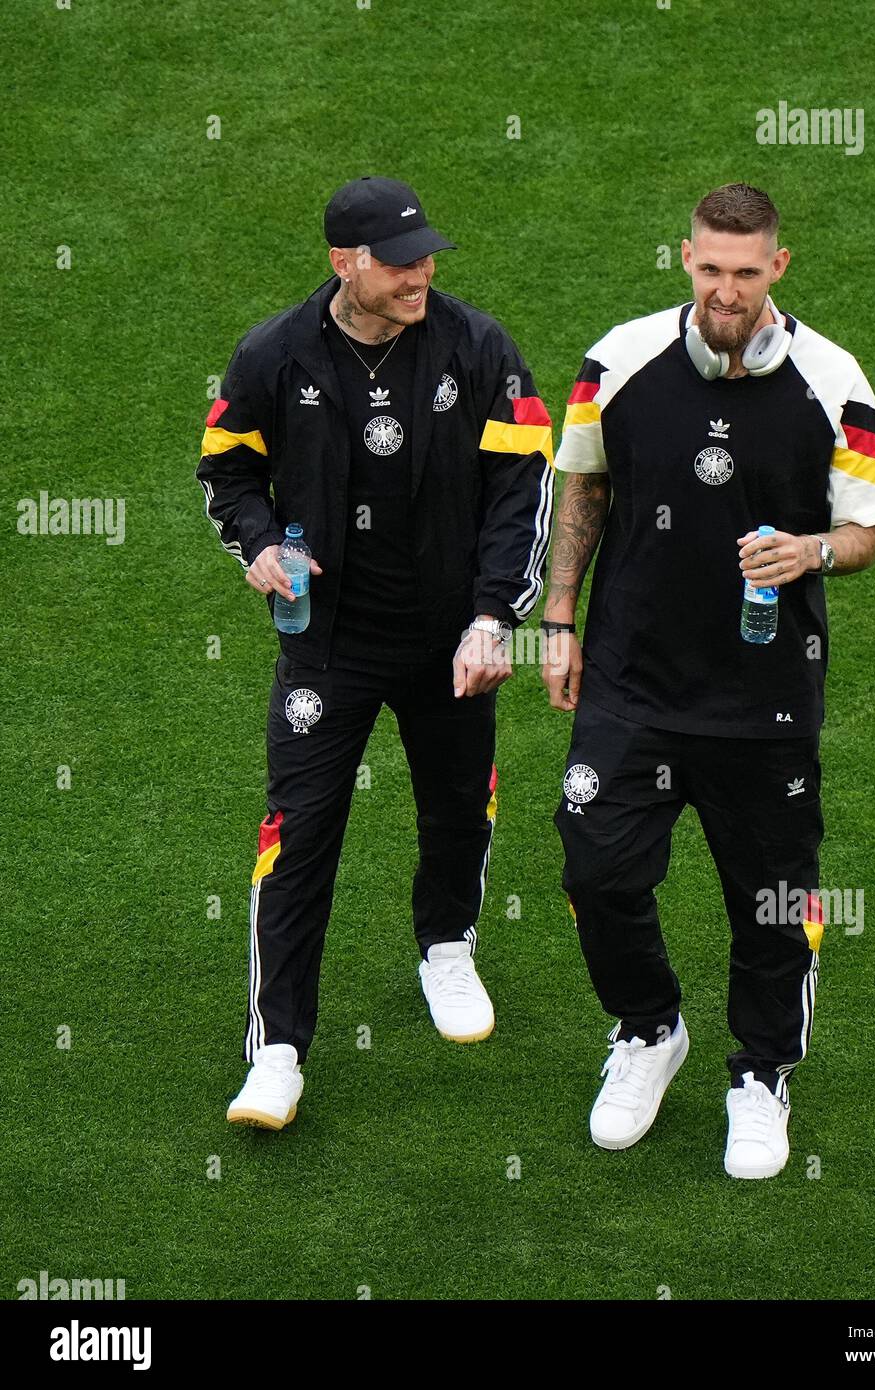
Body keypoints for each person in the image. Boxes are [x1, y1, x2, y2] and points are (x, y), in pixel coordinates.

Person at [541, 182, 875, 1176]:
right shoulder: (619, 360)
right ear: (686, 260)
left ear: (777, 268)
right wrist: (560, 617)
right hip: (630, 677)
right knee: (594, 865)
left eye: (746, 273)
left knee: (773, 899)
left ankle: (759, 1075)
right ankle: (648, 1029)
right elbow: (584, 486)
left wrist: (812, 554)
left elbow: (868, 525)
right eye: (710, 268)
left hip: (764, 697)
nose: (726, 290)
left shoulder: (832, 378)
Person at [198, 176, 553, 1130]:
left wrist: (493, 618)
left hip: (450, 641)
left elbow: (525, 483)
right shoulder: (273, 354)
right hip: (327, 644)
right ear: (342, 265)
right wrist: (260, 543)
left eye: (428, 257)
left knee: (456, 806)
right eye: (400, 263)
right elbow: (226, 468)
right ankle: (276, 1050)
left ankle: (446, 947)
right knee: (299, 832)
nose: (421, 274)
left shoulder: (478, 348)